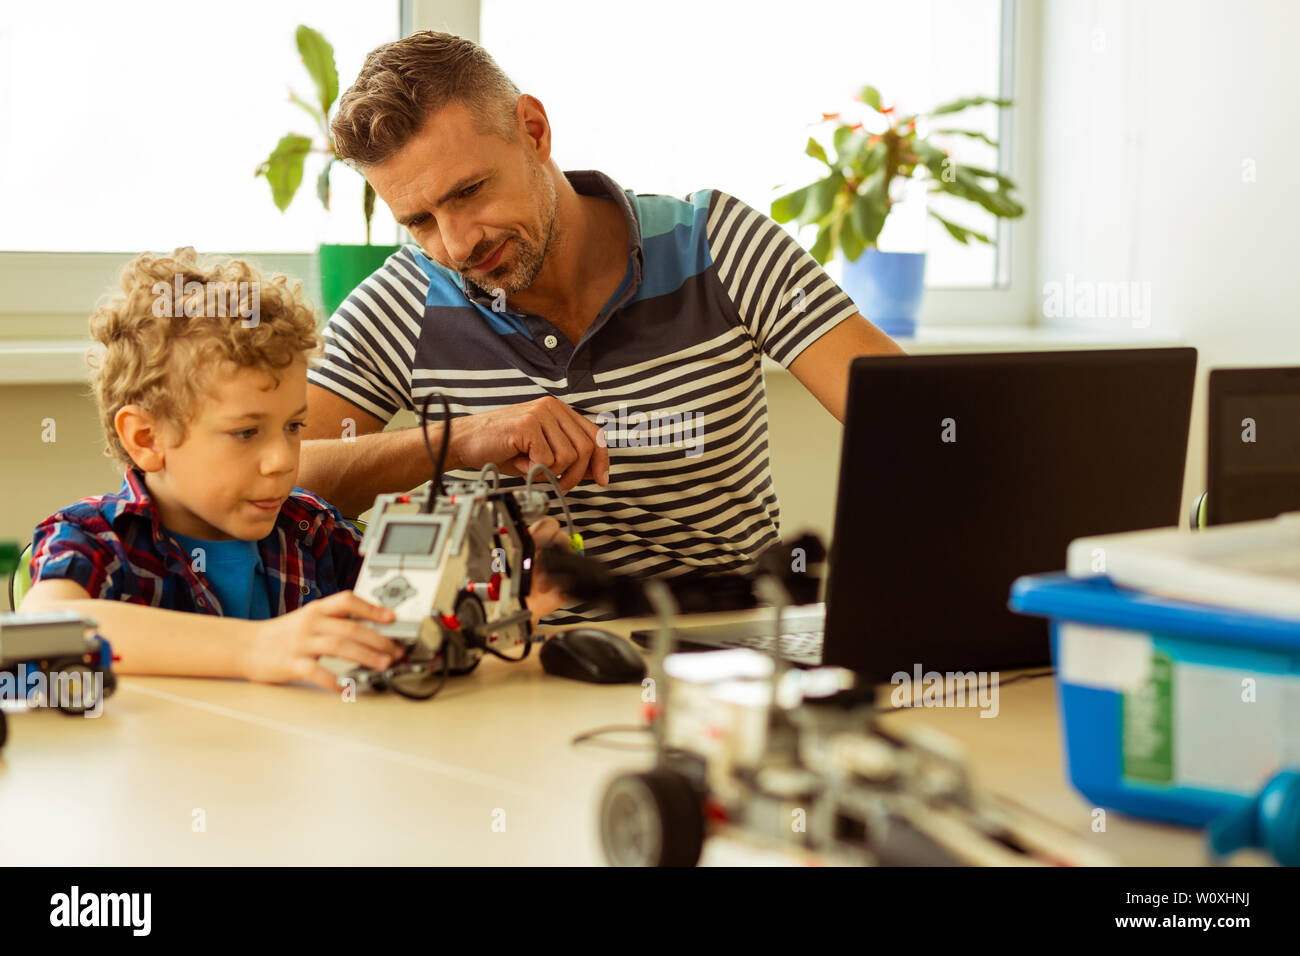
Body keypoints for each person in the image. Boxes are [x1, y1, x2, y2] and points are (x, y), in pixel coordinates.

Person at [298, 31, 905, 625]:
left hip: (725, 649)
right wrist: (461, 440)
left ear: (533, 131)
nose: (457, 244)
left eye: (470, 192)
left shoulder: (716, 245)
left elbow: (927, 424)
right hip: (517, 667)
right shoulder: (402, 301)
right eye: (421, 221)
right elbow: (281, 475)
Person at [18, 248, 569, 691]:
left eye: (293, 426)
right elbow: (49, 632)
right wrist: (257, 648)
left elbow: (400, 638)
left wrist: (507, 605)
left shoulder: (312, 532)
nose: (284, 459)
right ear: (147, 438)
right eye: (245, 432)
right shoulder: (92, 540)